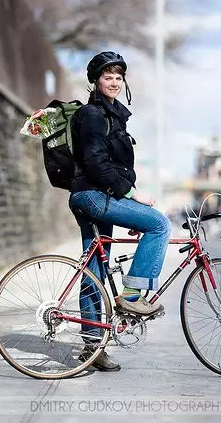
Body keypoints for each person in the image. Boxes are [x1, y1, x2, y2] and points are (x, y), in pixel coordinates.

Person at [68, 51, 172, 371]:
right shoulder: (93, 115)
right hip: (94, 196)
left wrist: (125, 206)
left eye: (118, 77)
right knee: (159, 224)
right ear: (95, 81)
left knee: (94, 272)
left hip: (96, 196)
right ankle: (131, 293)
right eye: (107, 76)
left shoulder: (113, 115)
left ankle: (92, 348)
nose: (113, 82)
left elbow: (118, 165)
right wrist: (130, 195)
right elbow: (96, 163)